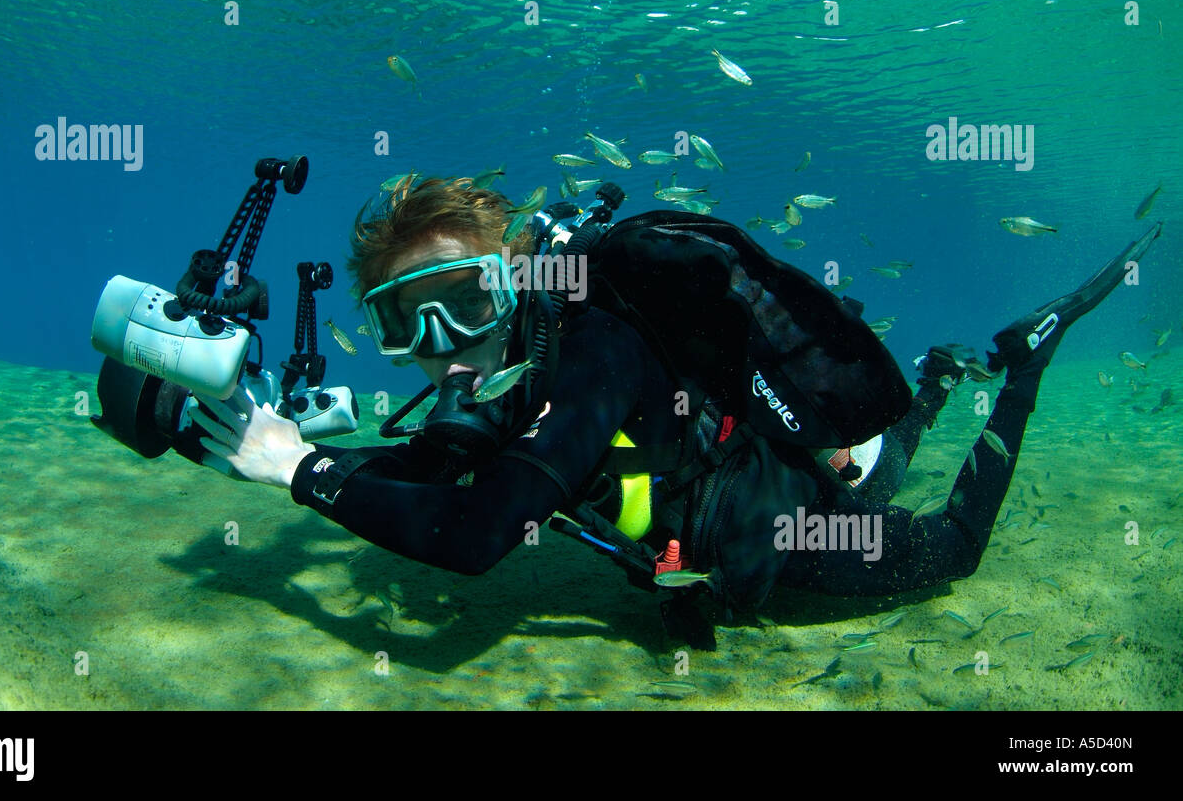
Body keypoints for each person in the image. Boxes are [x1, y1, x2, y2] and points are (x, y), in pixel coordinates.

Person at [193, 176, 1161, 646]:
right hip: (734, 477)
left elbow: (476, 531)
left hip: (767, 520)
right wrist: (256, 439)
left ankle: (1022, 362)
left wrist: (300, 471)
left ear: (517, 279)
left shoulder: (589, 352)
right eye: (409, 316)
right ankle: (939, 381)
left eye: (467, 298)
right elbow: (434, 467)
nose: (445, 337)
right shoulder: (499, 373)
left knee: (942, 549)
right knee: (874, 464)